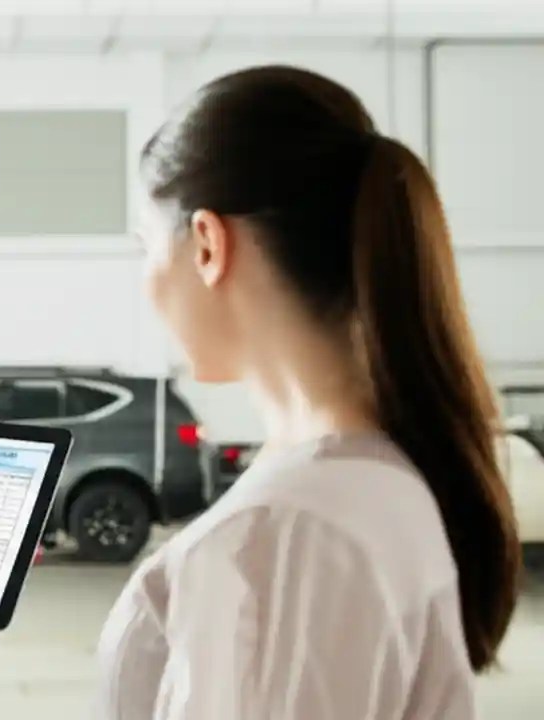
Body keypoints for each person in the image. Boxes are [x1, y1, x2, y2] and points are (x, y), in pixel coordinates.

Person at [95, 65, 521, 719]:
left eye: (146, 245)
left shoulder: (284, 534)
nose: (146, 281)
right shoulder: (373, 482)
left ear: (207, 244)